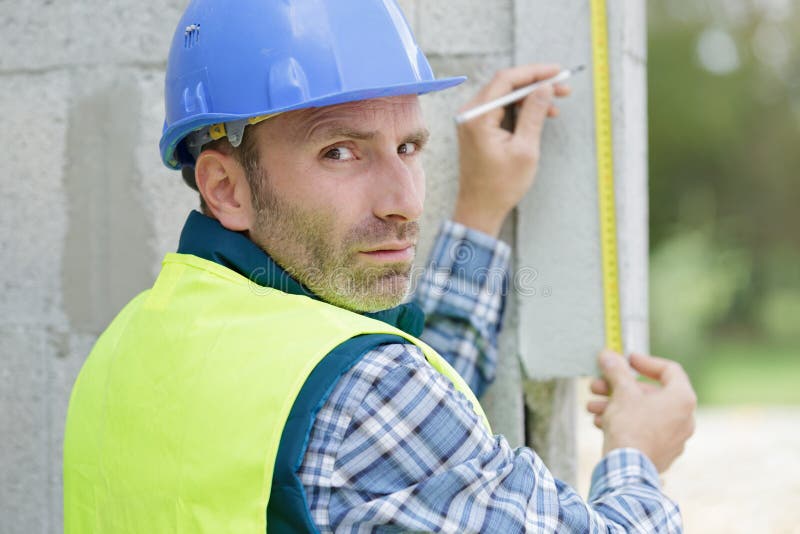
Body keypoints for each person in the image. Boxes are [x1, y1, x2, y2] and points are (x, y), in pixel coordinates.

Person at [63, 1, 696, 532]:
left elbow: (405, 461)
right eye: (340, 152)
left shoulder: (122, 352)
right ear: (227, 187)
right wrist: (636, 453)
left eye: (408, 147)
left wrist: (479, 213)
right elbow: (390, 424)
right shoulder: (366, 391)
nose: (406, 202)